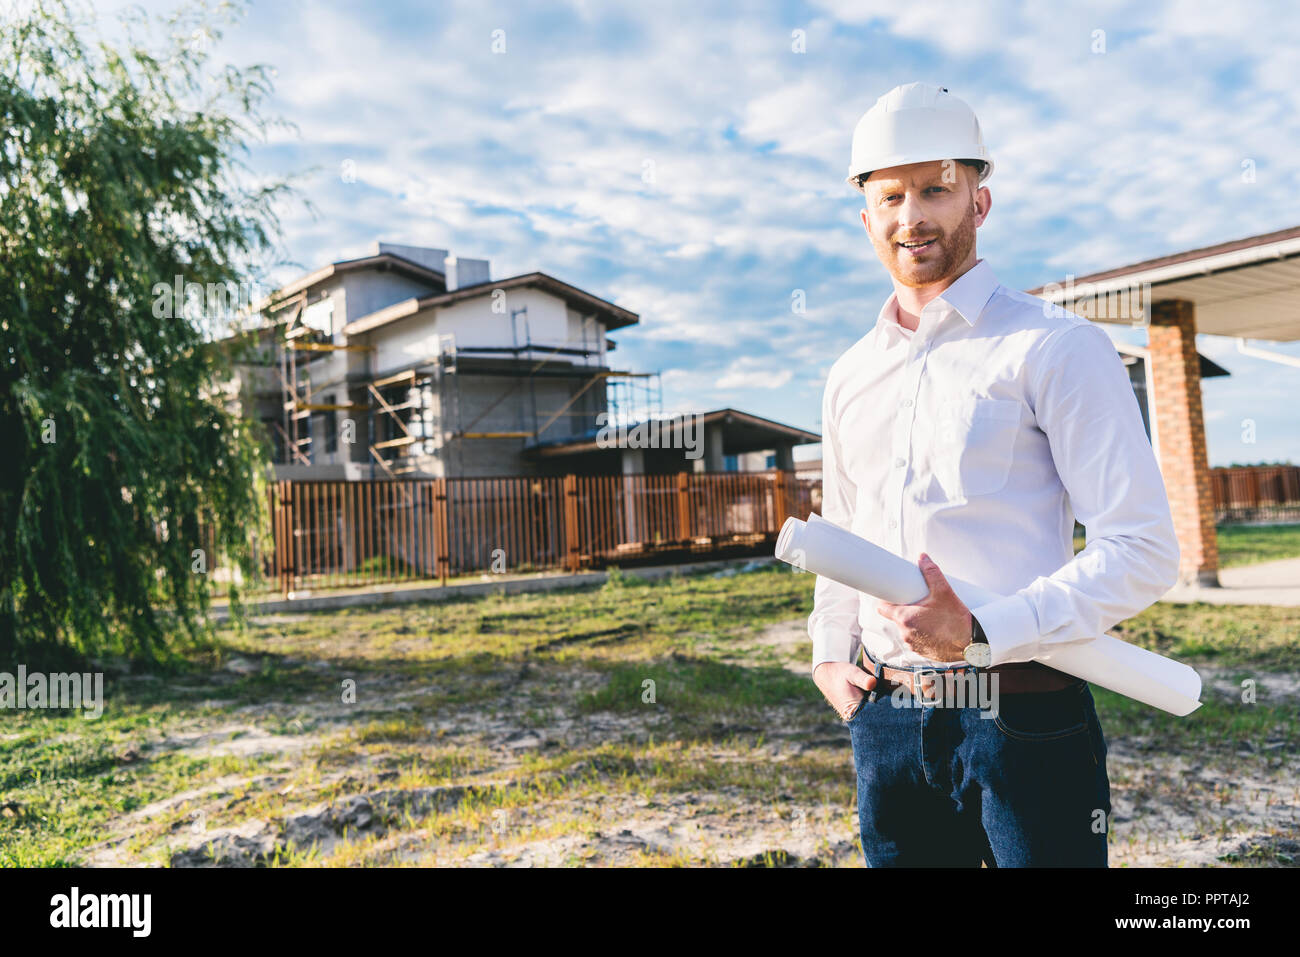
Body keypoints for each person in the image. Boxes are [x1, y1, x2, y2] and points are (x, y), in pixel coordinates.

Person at [809, 82, 1181, 867]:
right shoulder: (849, 374)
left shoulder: (1054, 347)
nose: (913, 215)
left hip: (1023, 714)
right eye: (891, 195)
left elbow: (1143, 548)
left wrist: (981, 633)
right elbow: (842, 534)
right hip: (886, 719)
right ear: (866, 215)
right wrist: (826, 652)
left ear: (980, 200)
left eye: (937, 189)